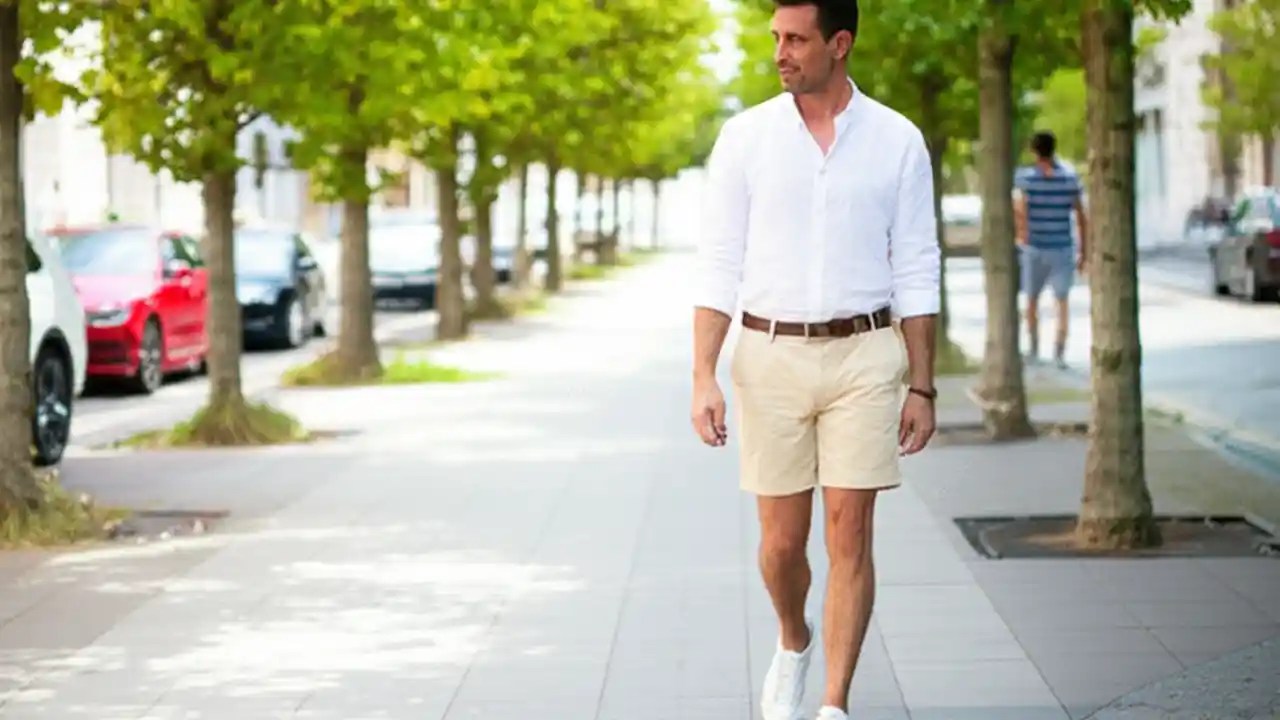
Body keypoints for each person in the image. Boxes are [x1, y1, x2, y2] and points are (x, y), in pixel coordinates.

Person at [689, 1, 940, 718]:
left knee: (849, 533)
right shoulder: (745, 139)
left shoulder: (897, 141)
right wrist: (703, 373)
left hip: (865, 354)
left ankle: (833, 704)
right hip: (768, 355)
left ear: (840, 43)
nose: (781, 52)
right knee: (779, 546)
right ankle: (794, 639)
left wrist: (922, 386)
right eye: (776, 38)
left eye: (796, 39)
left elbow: (918, 266)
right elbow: (718, 263)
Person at [1013, 131, 1088, 369]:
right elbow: (1081, 215)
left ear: (1034, 152)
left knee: (1032, 301)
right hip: (1063, 248)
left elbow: (1020, 212)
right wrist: (1083, 251)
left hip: (1035, 248)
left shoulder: (1026, 179)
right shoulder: (1069, 178)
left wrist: (1021, 237)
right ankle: (1059, 353)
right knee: (1062, 302)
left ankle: (1034, 349)